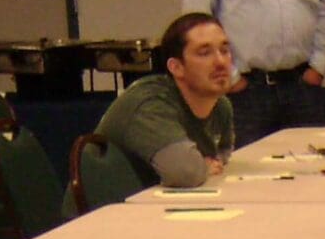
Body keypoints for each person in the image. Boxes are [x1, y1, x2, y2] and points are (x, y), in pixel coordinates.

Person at [181, 0, 325, 148]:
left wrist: (319, 64)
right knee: (246, 172)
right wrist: (231, 77)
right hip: (244, 92)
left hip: (303, 86)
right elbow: (197, 21)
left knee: (314, 170)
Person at [94, 12, 237, 189]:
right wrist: (202, 166)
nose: (221, 62)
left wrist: (203, 165)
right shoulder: (151, 103)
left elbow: (222, 157)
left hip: (160, 203)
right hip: (104, 211)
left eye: (224, 50)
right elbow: (185, 173)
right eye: (204, 53)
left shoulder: (220, 106)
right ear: (176, 67)